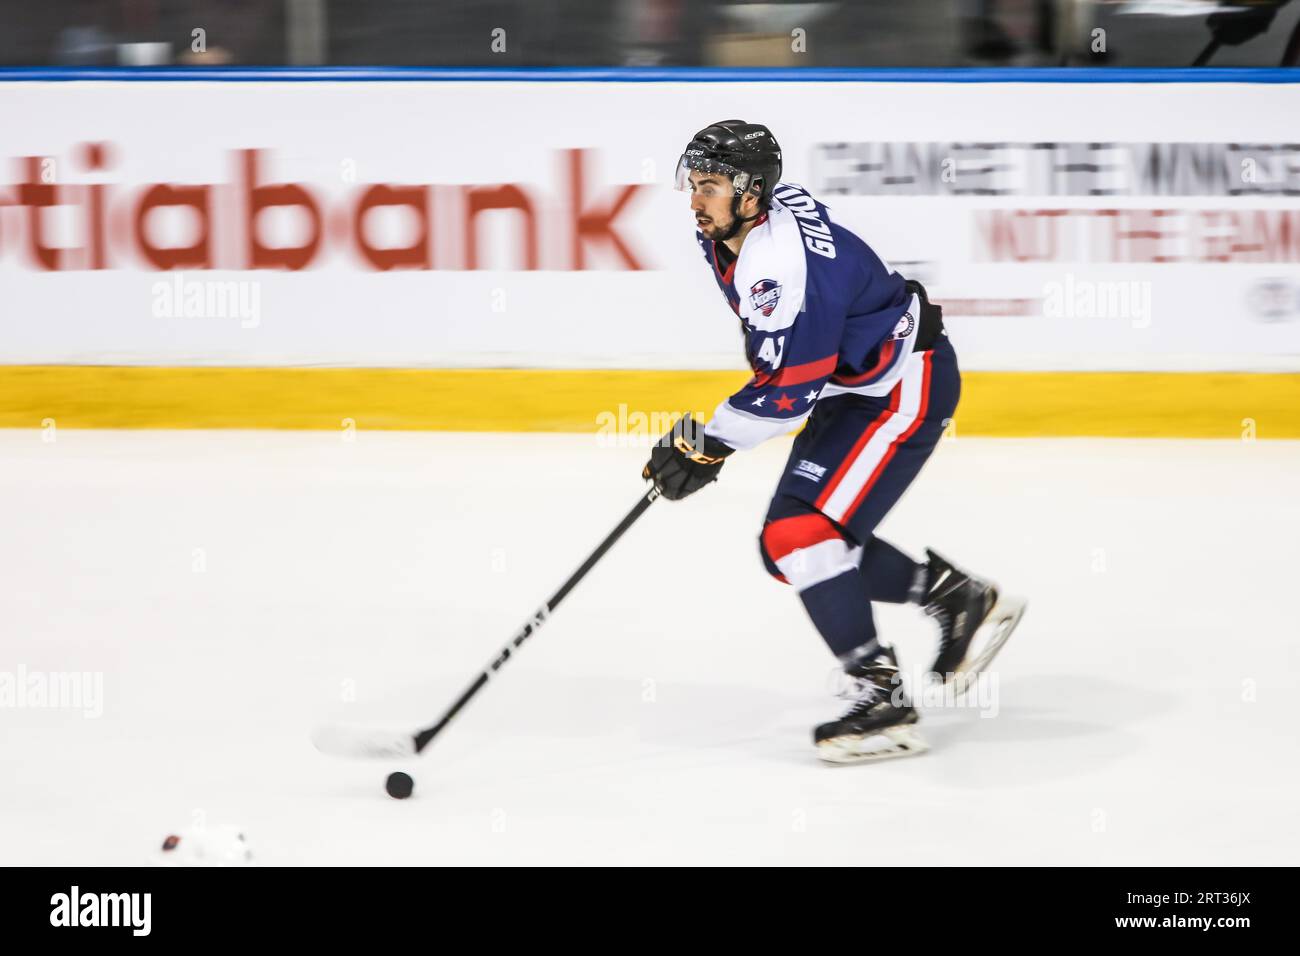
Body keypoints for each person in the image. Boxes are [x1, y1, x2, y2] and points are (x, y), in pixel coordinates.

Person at [643, 120, 1026, 763]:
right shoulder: (743, 224)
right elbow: (794, 369)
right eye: (693, 184)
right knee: (790, 548)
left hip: (902, 390)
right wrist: (712, 440)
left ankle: (882, 699)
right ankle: (956, 598)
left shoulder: (778, 266)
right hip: (857, 387)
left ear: (750, 192)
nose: (694, 201)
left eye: (708, 186)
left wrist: (710, 443)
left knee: (799, 538)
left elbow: (790, 389)